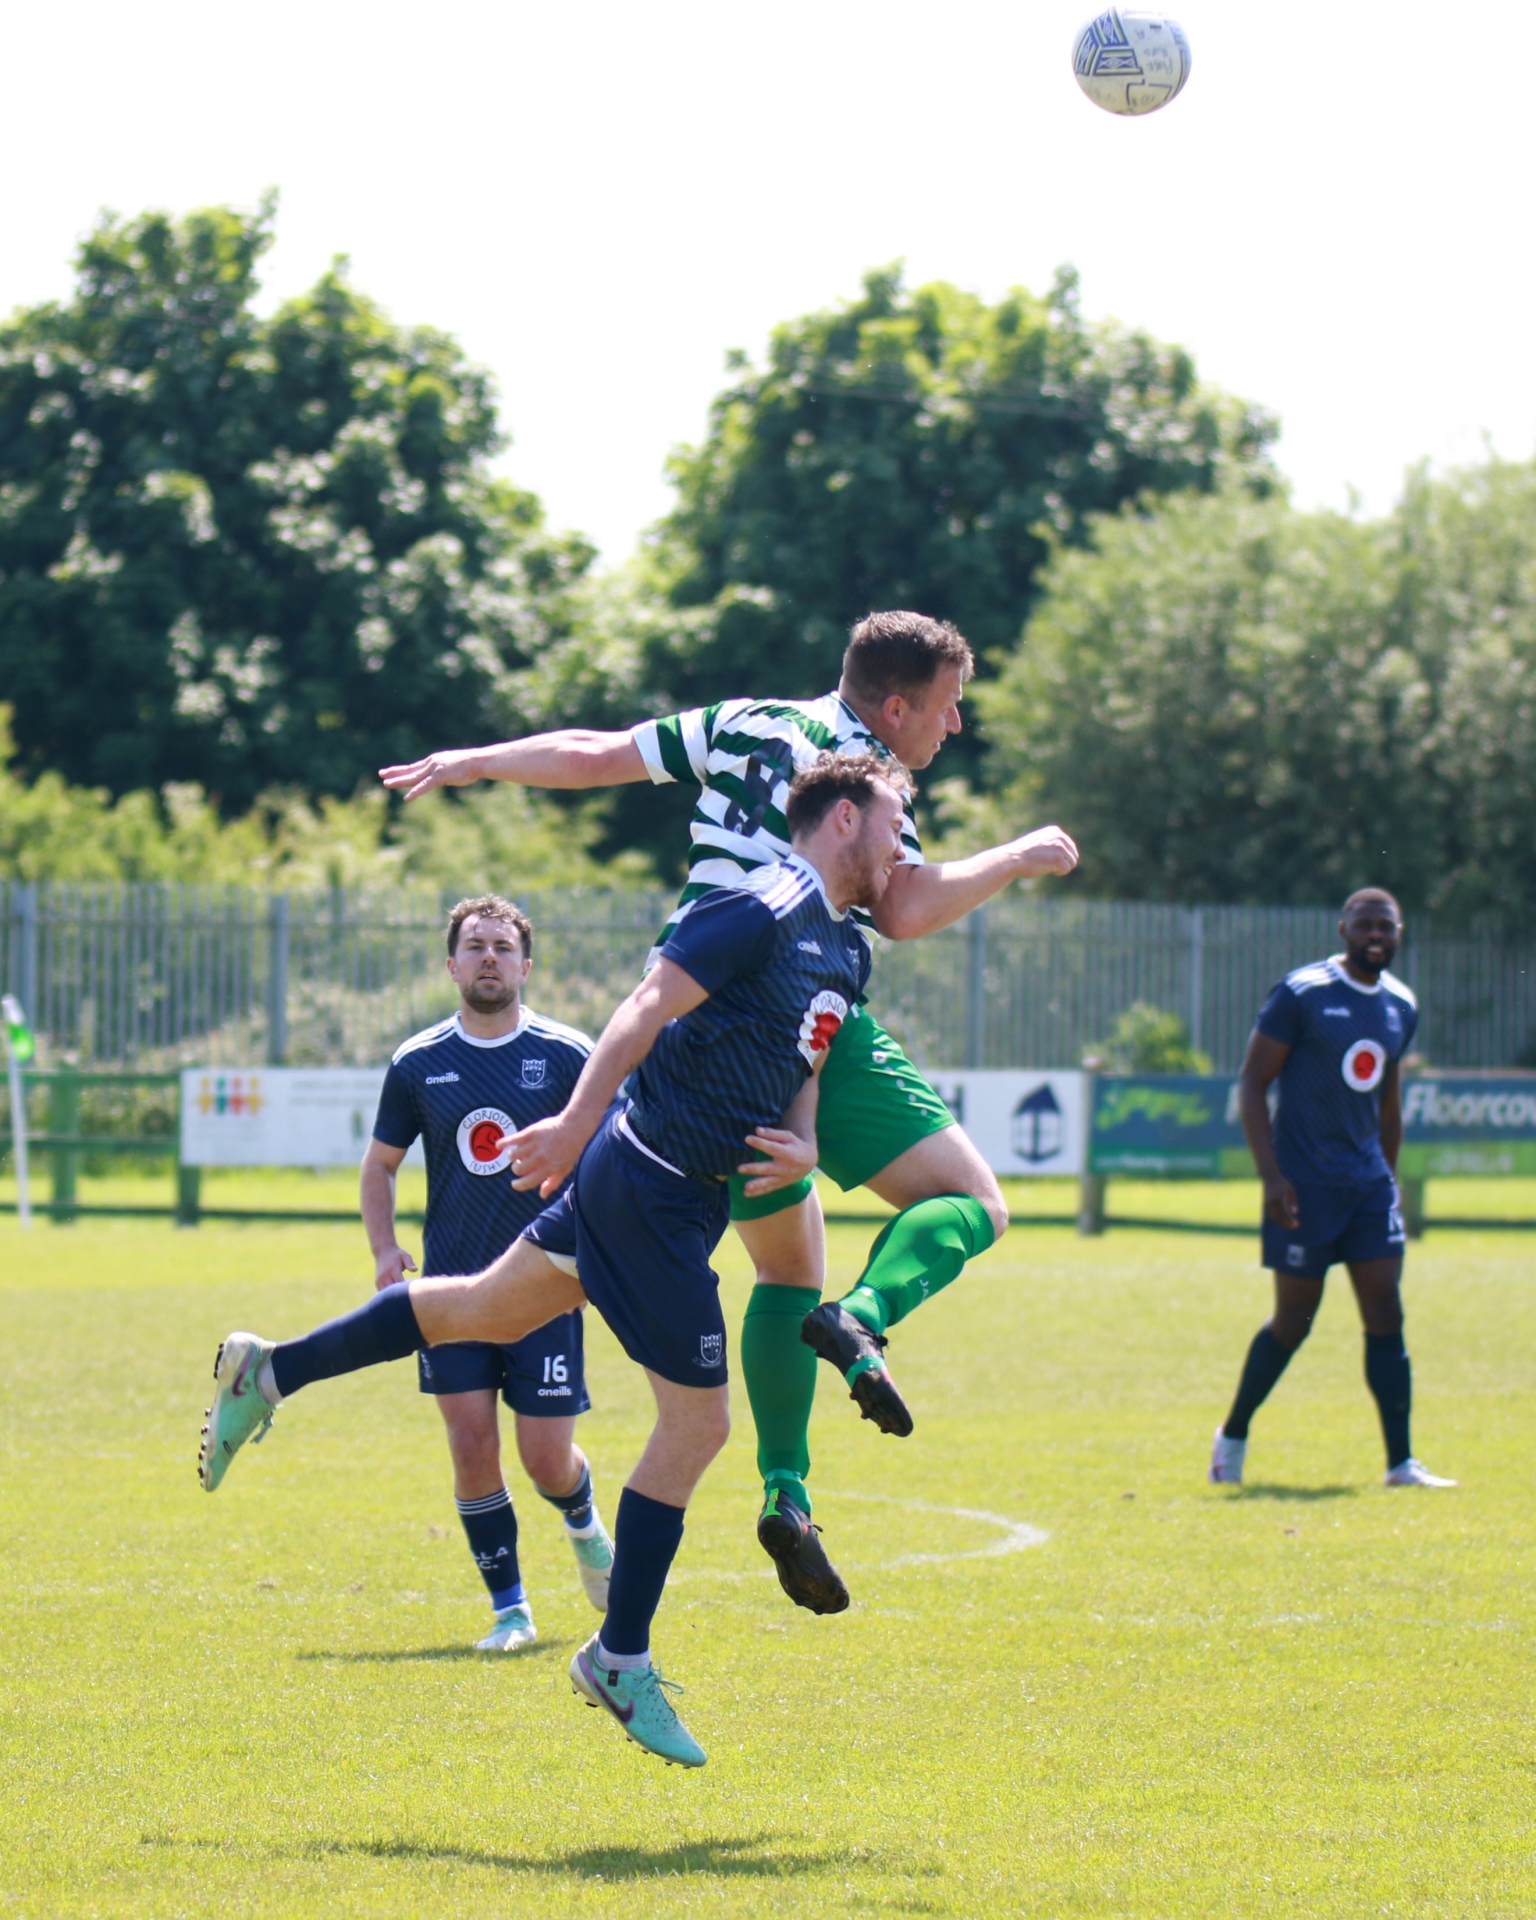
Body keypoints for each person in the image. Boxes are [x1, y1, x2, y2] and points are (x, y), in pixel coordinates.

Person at [197, 753, 902, 1767]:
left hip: (678, 1194)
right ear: (843, 819)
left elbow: (810, 1052)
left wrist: (799, 1134)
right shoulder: (756, 903)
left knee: (482, 1306)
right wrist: (575, 1121)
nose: (904, 840)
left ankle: (269, 1370)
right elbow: (646, 1005)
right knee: (697, 1422)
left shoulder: (847, 948)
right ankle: (620, 1656)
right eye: (895, 820)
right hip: (648, 1182)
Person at [378, 609, 1079, 1610]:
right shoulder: (867, 776)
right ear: (895, 706)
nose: (954, 725)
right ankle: (864, 1322)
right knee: (973, 1205)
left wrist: (476, 761)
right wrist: (1015, 857)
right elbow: (908, 909)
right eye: (949, 706)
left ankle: (788, 1495)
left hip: (690, 1041)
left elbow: (596, 753)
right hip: (798, 1025)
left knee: (780, 1266)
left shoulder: (746, 720)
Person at [361, 895, 614, 1651]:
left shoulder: (571, 1054)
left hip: (545, 1288)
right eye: (475, 947)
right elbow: (380, 1166)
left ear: (527, 965)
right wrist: (383, 1247)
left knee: (544, 1458)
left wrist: (602, 1255)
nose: (489, 958)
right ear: (451, 965)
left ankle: (584, 1521)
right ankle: (511, 1611)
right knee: (471, 1445)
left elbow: (608, 1160)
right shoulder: (417, 1062)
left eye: (503, 947)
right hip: (452, 1295)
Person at [1208, 889, 1456, 1491]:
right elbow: (1251, 1083)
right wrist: (1271, 1176)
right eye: (1365, 924)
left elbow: (1389, 1104)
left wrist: (1390, 1181)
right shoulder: (1303, 993)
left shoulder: (1401, 1004)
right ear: (1344, 928)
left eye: (1387, 926)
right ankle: (1232, 1437)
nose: (1376, 934)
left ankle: (1401, 1463)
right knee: (1294, 1321)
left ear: (1399, 934)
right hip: (1304, 1187)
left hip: (1367, 1188)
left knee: (1385, 1312)